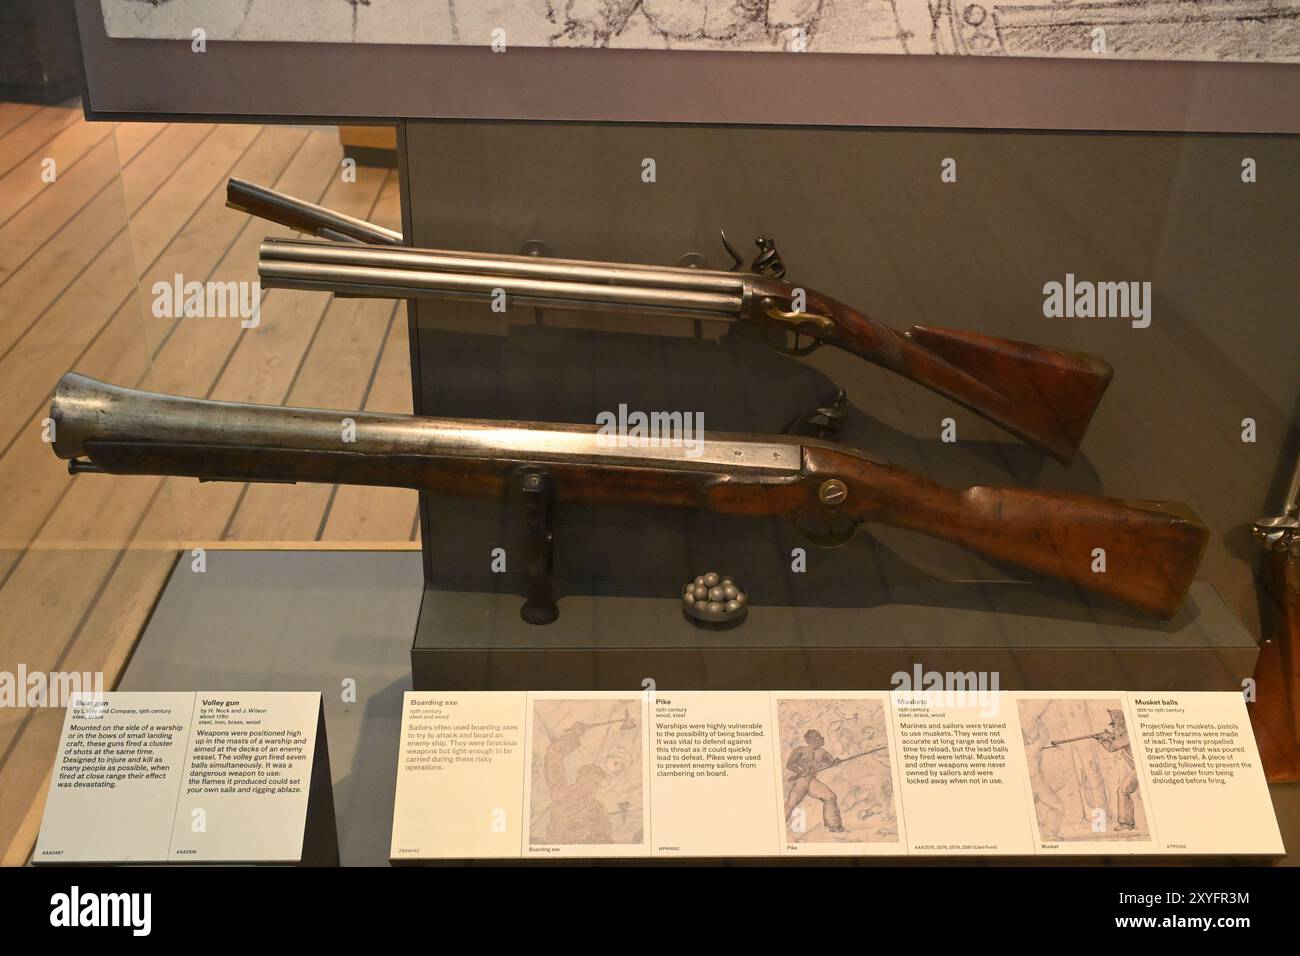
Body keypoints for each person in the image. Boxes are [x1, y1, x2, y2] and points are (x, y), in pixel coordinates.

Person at [543, 722, 613, 844]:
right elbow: (553, 758)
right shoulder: (561, 794)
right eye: (589, 781)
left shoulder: (597, 809)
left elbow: (606, 836)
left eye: (596, 784)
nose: (592, 787)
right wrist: (573, 736)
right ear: (580, 780)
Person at [784, 729, 844, 833]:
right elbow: (789, 764)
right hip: (801, 781)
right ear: (811, 739)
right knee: (792, 803)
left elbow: (831, 762)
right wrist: (801, 771)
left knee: (830, 796)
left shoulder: (822, 752)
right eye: (818, 736)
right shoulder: (801, 750)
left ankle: (834, 825)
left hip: (812, 781)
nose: (821, 738)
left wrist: (835, 761)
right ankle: (778, 825)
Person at [1094, 709, 1139, 831]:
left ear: (1121, 723)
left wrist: (1102, 740)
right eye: (1112, 725)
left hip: (1141, 769)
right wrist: (1106, 736)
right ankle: (1127, 822)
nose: (1113, 728)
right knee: (1123, 790)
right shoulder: (1122, 734)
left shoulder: (1127, 734)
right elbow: (1115, 739)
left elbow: (1112, 747)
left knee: (1123, 790)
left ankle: (1127, 822)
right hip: (1137, 768)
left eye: (1115, 724)